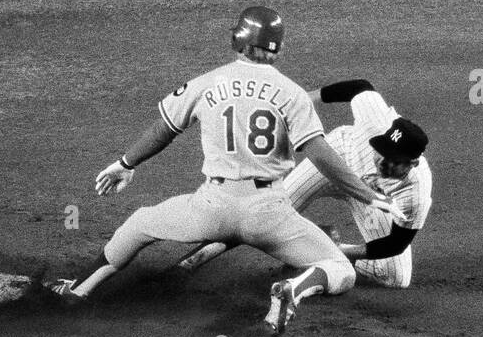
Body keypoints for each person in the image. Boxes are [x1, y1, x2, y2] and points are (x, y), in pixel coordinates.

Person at [47, 7, 399, 337]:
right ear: (276, 49)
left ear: (239, 41)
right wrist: (368, 194)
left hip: (211, 207)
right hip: (269, 214)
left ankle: (78, 290)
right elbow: (320, 154)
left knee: (138, 224)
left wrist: (125, 164)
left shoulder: (208, 82)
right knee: (340, 270)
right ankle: (294, 290)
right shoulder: (293, 94)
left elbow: (164, 128)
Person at [176, 80, 431, 289]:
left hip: (371, 197)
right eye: (382, 151)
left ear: (412, 164)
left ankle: (322, 245)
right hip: (336, 162)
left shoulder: (415, 191)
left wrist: (337, 251)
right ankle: (193, 259)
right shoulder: (374, 121)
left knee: (395, 277)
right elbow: (360, 87)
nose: (383, 160)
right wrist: (301, 101)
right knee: (262, 210)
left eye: (393, 160)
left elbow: (395, 244)